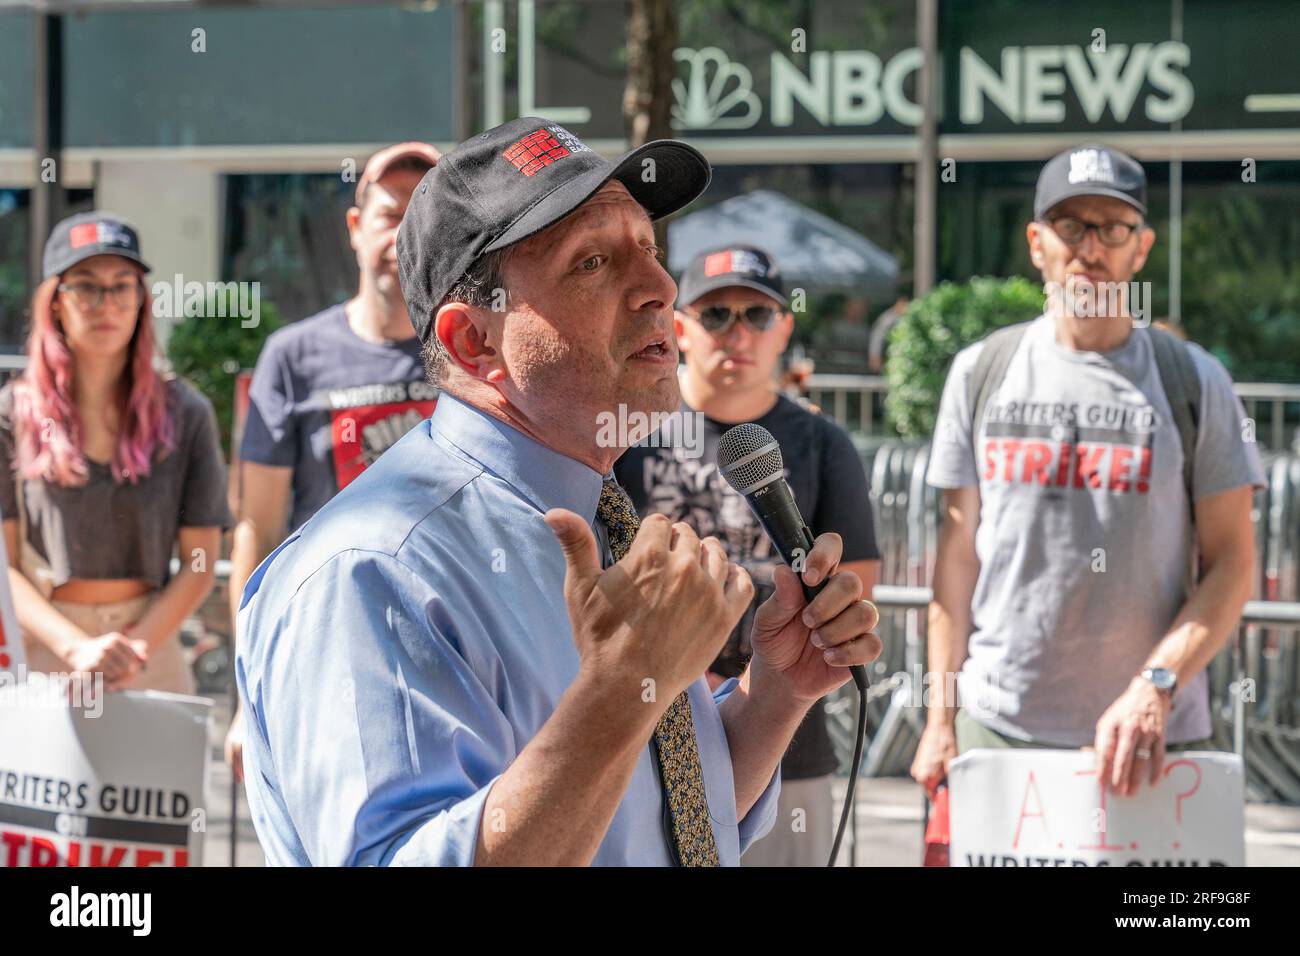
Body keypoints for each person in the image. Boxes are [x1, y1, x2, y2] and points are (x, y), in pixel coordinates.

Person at [234, 117, 882, 866]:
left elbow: (653, 823)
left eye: (647, 246)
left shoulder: (595, 510)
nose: (662, 287)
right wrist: (621, 687)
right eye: (593, 263)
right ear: (474, 341)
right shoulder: (371, 569)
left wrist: (775, 697)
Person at [911, 144, 1263, 800]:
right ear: (1036, 242)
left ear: (1142, 247)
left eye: (1113, 227)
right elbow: (955, 564)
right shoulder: (981, 372)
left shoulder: (1194, 381)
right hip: (998, 728)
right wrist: (940, 719)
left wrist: (1155, 685)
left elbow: (1234, 566)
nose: (1090, 248)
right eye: (1070, 226)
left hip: (1153, 735)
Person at [615, 244, 880, 866]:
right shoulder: (627, 432)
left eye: (757, 316)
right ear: (679, 327)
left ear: (784, 327)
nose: (737, 333)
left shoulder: (823, 442)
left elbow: (855, 595)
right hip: (649, 732)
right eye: (716, 314)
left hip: (789, 737)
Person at [225, 142, 441, 778]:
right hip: (322, 654)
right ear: (355, 227)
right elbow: (257, 530)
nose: (404, 233)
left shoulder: (473, 348)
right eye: (388, 213)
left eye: (423, 215)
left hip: (449, 654)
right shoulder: (293, 357)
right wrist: (248, 691)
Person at [1, 212, 233, 694]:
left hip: (151, 644)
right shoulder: (13, 413)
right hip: (47, 646)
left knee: (159, 773)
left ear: (141, 302)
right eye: (85, 286)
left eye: (121, 286)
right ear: (56, 304)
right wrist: (75, 648)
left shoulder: (186, 412)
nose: (105, 304)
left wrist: (133, 649)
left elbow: (198, 564)